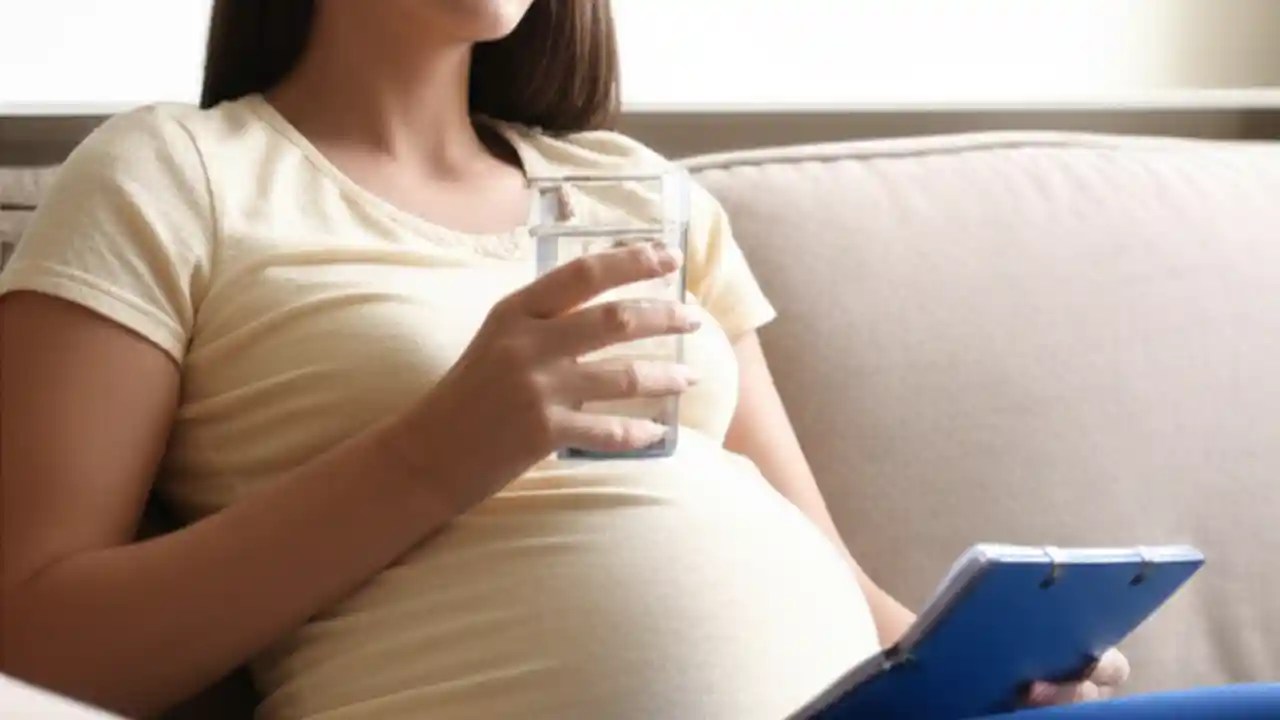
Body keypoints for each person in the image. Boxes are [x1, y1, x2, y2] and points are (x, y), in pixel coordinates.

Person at [0, 1, 1129, 718]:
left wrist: (1003, 664)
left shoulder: (636, 188)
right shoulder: (174, 173)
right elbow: (32, 640)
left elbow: (830, 572)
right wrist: (439, 452)